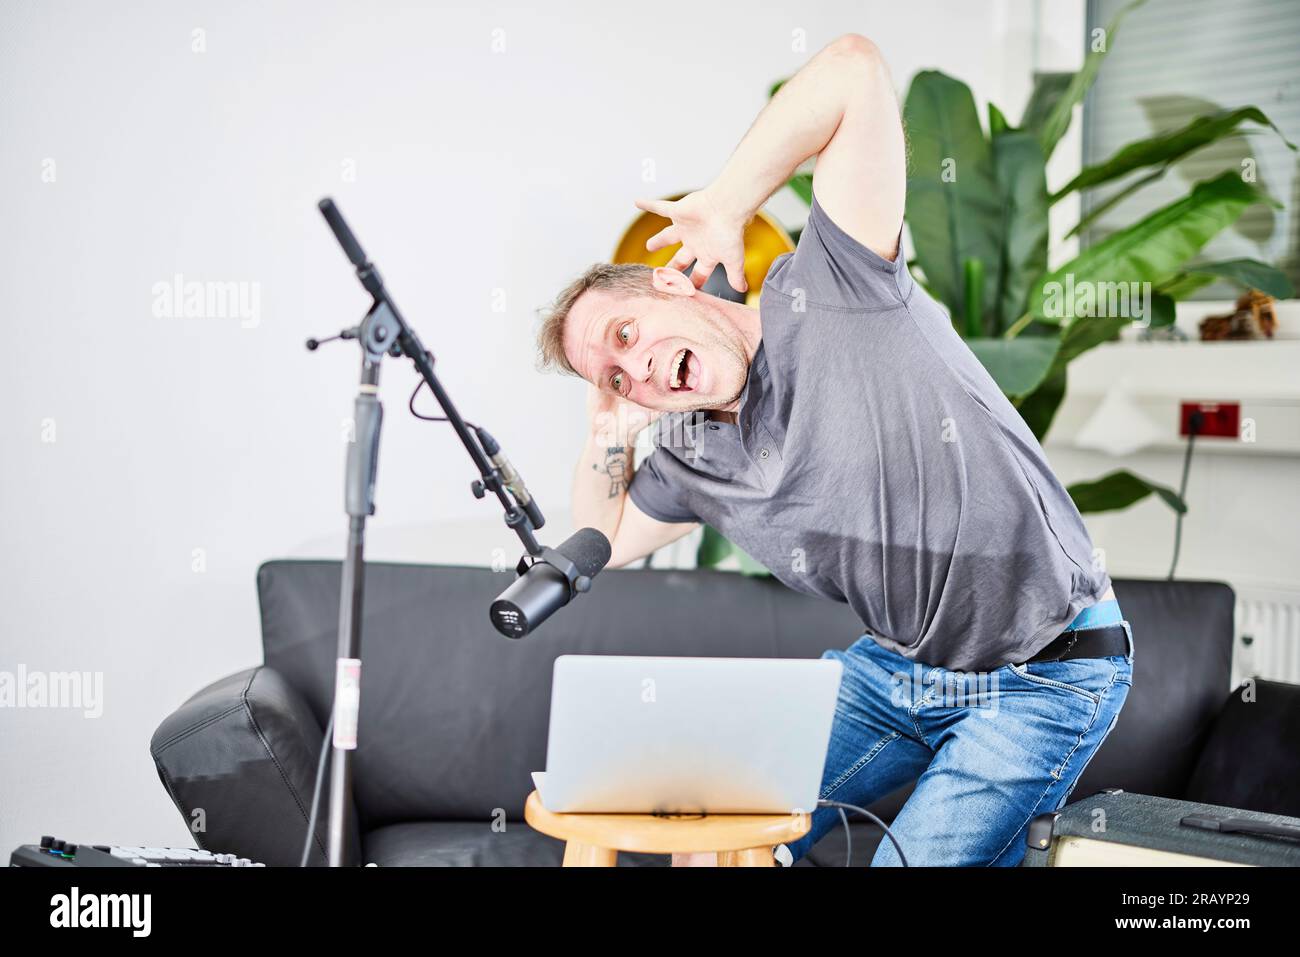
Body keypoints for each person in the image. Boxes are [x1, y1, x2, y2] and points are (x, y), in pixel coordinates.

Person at [535, 34, 1132, 866]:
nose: (634, 369)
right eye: (614, 374)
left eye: (626, 334)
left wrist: (725, 202)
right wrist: (608, 427)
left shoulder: (835, 286)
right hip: (898, 672)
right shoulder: (697, 458)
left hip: (1044, 673)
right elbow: (601, 539)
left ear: (671, 280)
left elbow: (853, 69)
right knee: (707, 836)